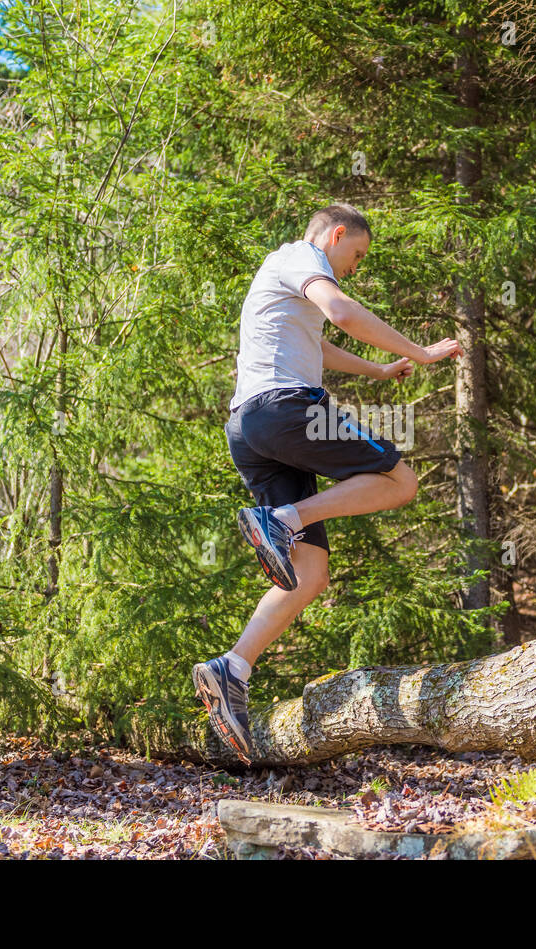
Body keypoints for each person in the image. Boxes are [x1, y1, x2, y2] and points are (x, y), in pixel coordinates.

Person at [192, 203, 461, 763]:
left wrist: (381, 371)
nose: (355, 266)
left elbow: (320, 343)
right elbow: (339, 312)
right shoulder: (301, 257)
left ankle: (232, 667)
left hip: (250, 430)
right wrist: (419, 352)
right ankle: (282, 521)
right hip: (284, 410)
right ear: (336, 234)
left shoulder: (285, 279)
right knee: (399, 481)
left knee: (309, 575)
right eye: (356, 254)